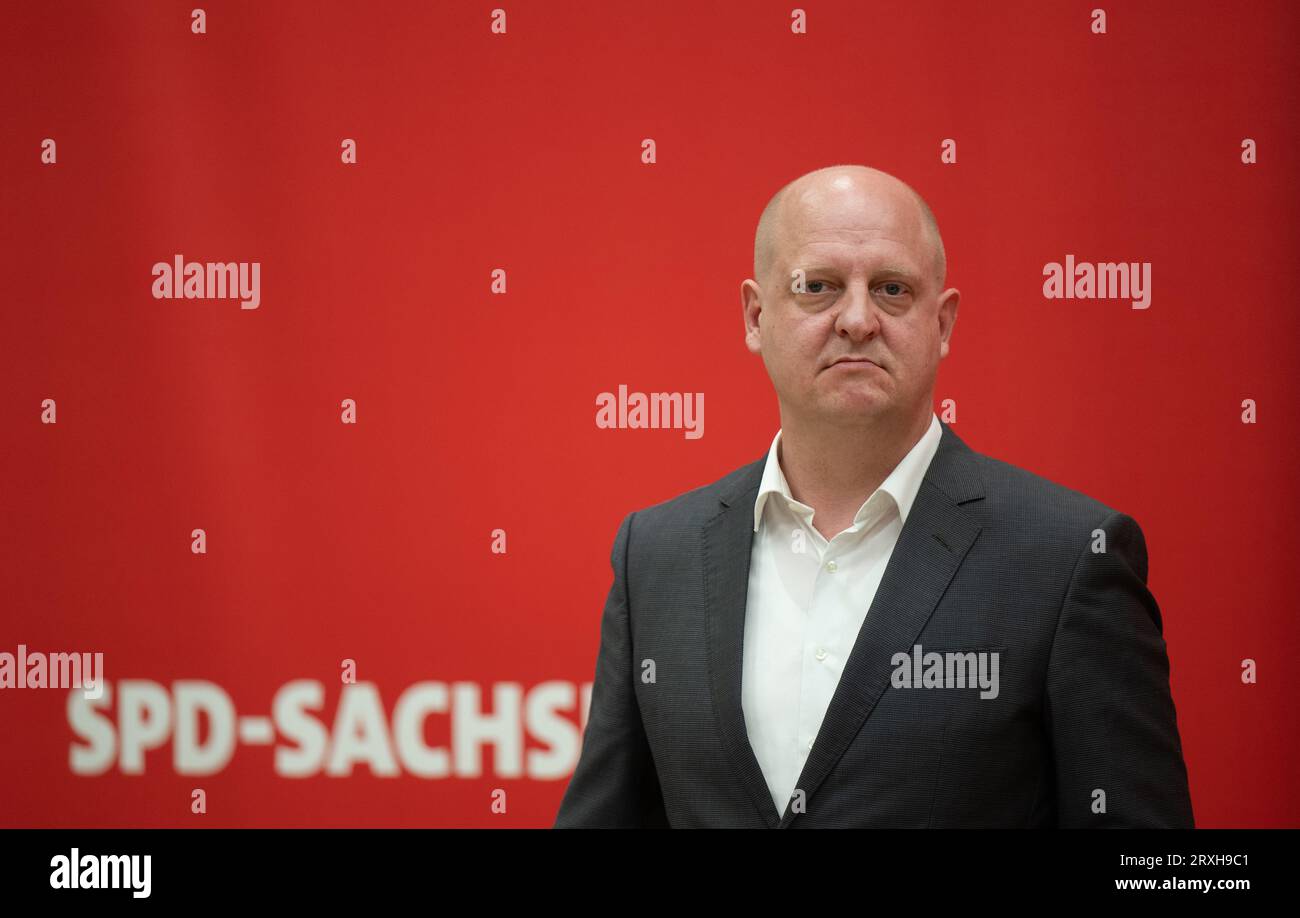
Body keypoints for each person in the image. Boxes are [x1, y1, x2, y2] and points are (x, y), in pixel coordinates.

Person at [553, 164, 1194, 828]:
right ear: (755, 315)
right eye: (818, 287)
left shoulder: (1068, 559)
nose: (857, 320)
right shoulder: (656, 556)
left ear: (942, 323)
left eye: (892, 289)